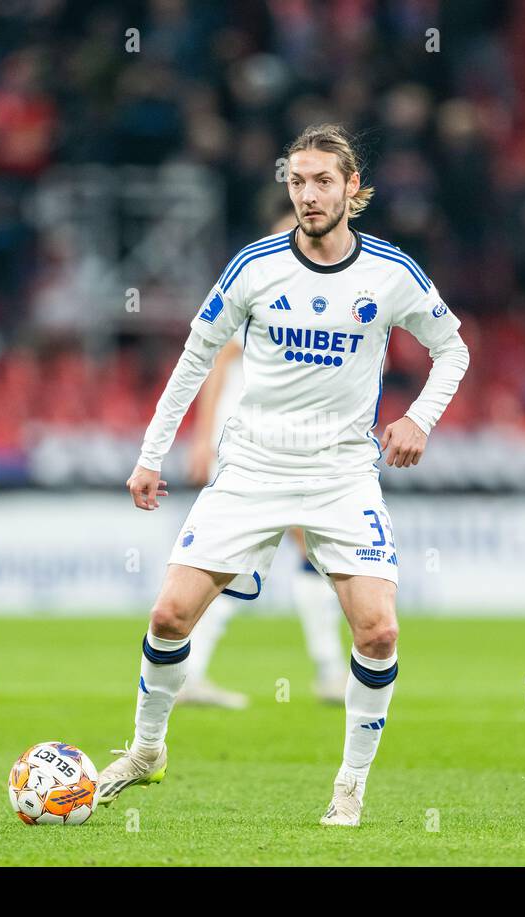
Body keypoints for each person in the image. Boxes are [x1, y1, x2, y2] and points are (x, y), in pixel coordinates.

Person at [99, 124, 470, 826]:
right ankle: (147, 750)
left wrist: (419, 419)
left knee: (379, 633)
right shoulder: (255, 266)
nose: (308, 194)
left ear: (353, 190)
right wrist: (152, 453)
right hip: (254, 468)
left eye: (323, 181)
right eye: (297, 181)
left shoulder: (390, 273)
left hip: (341, 475)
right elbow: (193, 358)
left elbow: (452, 348)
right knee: (169, 614)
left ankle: (350, 785)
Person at [176, 212, 349, 711]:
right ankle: (329, 672)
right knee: (302, 547)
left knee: (268, 558)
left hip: (276, 444)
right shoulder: (259, 295)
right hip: (248, 447)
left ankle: (195, 672)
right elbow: (216, 369)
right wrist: (203, 440)